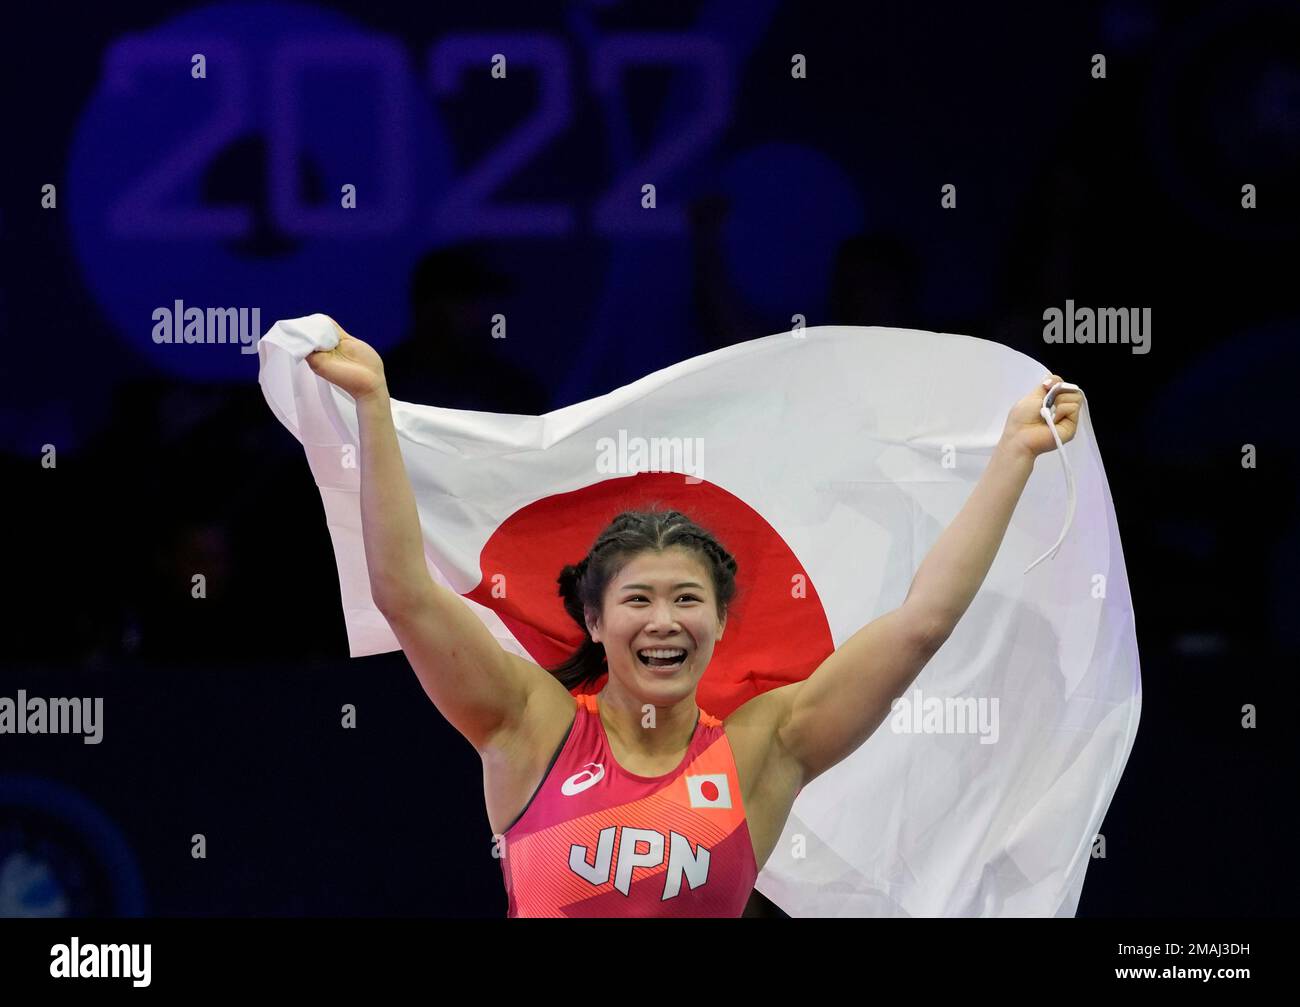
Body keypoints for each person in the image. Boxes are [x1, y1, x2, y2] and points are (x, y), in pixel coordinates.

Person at [305, 318, 1082, 917]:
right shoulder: (528, 727)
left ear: (718, 622)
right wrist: (374, 405)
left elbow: (921, 622)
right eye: (637, 600)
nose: (663, 621)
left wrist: (1012, 453)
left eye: (687, 600)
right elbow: (404, 593)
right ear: (595, 619)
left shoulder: (765, 750)